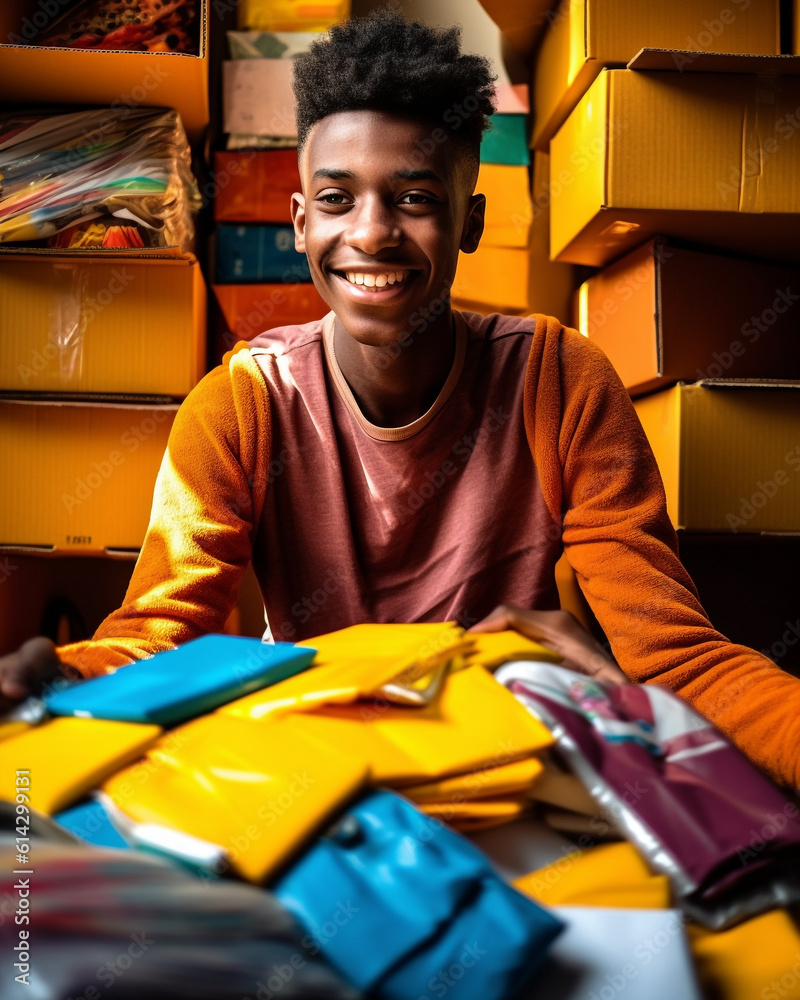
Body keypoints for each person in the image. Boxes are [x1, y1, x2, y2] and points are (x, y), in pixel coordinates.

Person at [1, 11, 798, 790]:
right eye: (338, 199)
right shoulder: (243, 400)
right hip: (320, 779)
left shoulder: (559, 379)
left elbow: (678, 655)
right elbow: (158, 639)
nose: (373, 233)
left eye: (414, 198)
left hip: (502, 768)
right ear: (300, 222)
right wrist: (56, 676)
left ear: (470, 221)